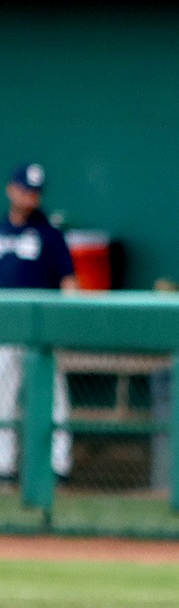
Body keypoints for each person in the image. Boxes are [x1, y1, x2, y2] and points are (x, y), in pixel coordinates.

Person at [0, 163, 75, 482]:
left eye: (35, 192)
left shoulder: (50, 234)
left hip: (42, 329)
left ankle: (59, 465)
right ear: (11, 190)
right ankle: (3, 465)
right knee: (2, 397)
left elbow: (69, 282)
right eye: (25, 190)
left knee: (53, 399)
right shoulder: (2, 230)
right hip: (5, 327)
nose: (30, 197)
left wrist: (66, 321)